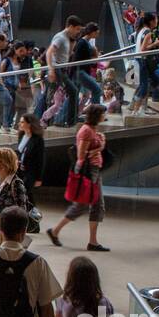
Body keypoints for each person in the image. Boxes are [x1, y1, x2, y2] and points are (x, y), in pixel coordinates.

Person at [49, 104, 108, 251]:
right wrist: (100, 147)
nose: (104, 116)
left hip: (93, 170)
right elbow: (82, 155)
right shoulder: (87, 130)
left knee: (94, 205)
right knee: (87, 204)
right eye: (102, 113)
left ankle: (91, 241)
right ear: (96, 115)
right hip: (88, 171)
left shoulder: (92, 129)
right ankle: (57, 231)